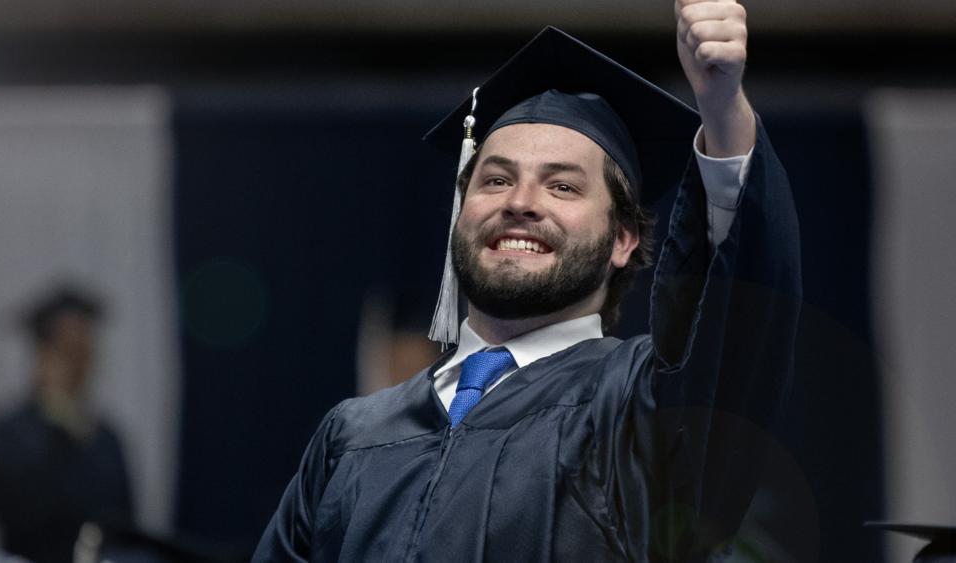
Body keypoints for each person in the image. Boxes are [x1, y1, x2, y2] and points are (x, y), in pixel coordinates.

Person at [253, 1, 800, 561]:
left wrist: (723, 109)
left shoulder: (645, 407)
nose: (519, 203)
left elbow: (739, 320)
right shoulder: (352, 436)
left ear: (623, 240)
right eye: (494, 180)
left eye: (562, 187)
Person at [0, 285, 134, 563]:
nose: (80, 366)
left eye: (85, 352)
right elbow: (15, 510)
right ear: (42, 355)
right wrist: (58, 429)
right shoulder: (6, 433)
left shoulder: (106, 436)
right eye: (69, 351)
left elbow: (122, 520)